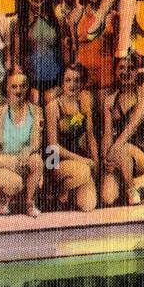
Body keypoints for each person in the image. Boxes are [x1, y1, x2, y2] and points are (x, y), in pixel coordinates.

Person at [0, 70, 44, 217]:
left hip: (24, 163)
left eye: (23, 86)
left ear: (28, 87)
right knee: (15, 182)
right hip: (2, 165)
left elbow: (36, 142)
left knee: (37, 161)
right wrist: (13, 161)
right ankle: (3, 199)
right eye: (14, 86)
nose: (19, 90)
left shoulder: (36, 111)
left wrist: (28, 150)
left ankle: (29, 204)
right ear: (6, 87)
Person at [44, 63, 99, 212]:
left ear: (82, 83)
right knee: (83, 172)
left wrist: (96, 164)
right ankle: (57, 191)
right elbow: (53, 146)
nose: (72, 85)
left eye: (77, 80)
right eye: (68, 80)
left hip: (79, 161)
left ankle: (69, 192)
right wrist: (84, 161)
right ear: (62, 82)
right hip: (54, 160)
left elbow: (90, 137)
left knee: (88, 205)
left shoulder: (84, 104)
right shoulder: (53, 107)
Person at [101, 58, 144, 207]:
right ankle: (124, 181)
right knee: (107, 198)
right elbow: (107, 133)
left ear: (136, 71)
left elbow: (132, 125)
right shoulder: (110, 100)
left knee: (123, 149)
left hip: (140, 154)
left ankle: (131, 189)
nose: (126, 72)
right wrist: (107, 159)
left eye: (131, 68)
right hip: (115, 153)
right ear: (116, 71)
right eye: (121, 68)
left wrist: (115, 148)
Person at [9, 0, 66, 100]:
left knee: (50, 101)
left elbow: (63, 51)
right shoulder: (19, 22)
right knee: (34, 102)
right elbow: (16, 55)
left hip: (54, 77)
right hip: (30, 78)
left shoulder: (57, 19)